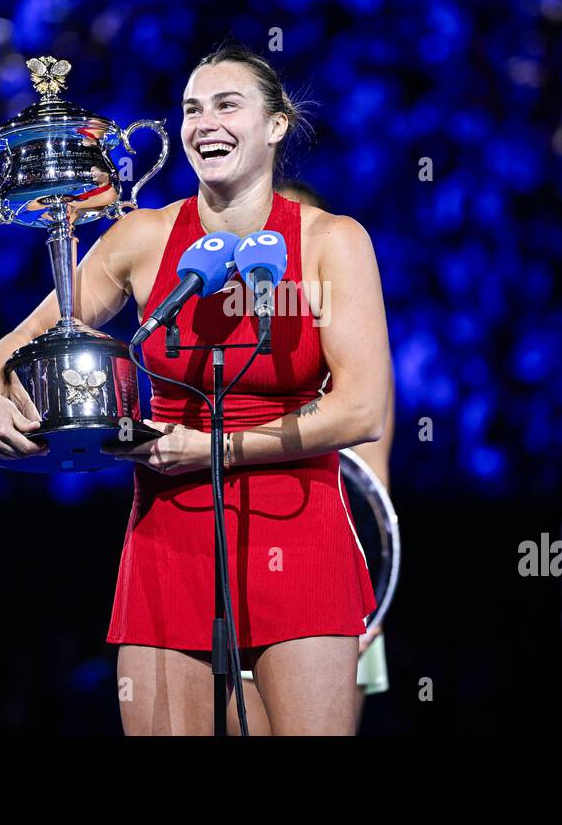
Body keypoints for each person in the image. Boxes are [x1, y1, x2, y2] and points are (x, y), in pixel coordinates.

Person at [0, 42, 392, 735]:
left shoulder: (332, 242)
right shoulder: (141, 237)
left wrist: (212, 447)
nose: (205, 124)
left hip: (299, 527)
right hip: (169, 531)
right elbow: (22, 342)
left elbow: (361, 410)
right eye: (192, 109)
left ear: (276, 125)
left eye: (228, 105)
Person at [223, 179, 396, 735]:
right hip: (237, 576)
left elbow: (374, 493)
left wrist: (374, 608)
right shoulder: (229, 358)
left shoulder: (360, 375)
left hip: (333, 581)